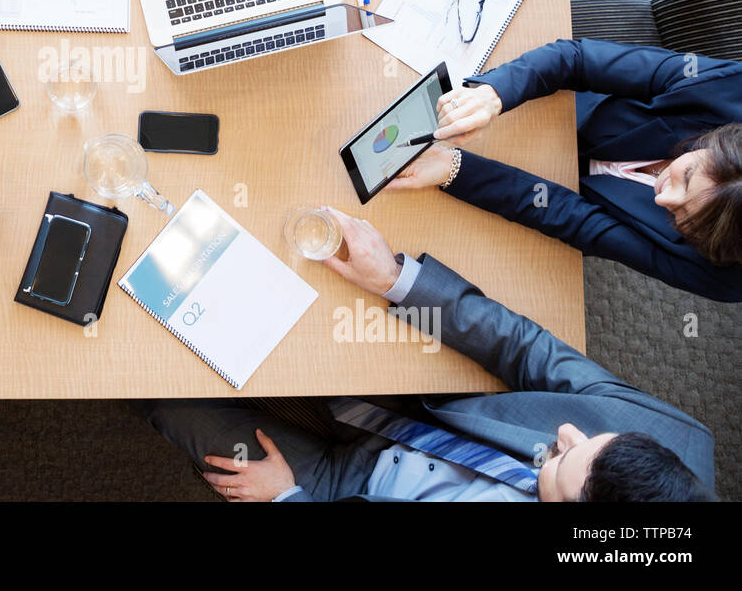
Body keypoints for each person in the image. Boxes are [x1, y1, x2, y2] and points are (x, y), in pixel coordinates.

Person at [139, 209, 714, 502]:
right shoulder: (669, 435)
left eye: (565, 463)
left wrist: (285, 497)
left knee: (167, 399)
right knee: (303, 317)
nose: (566, 432)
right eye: (587, 439)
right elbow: (524, 349)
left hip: (338, 488)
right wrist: (395, 280)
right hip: (419, 412)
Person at [389, 38, 742, 302]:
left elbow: (577, 221)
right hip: (562, 115)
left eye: (683, 219)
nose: (663, 197)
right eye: (688, 175)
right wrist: (494, 94)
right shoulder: (726, 91)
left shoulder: (723, 273)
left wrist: (453, 168)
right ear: (720, 140)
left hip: (568, 196)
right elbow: (579, 60)